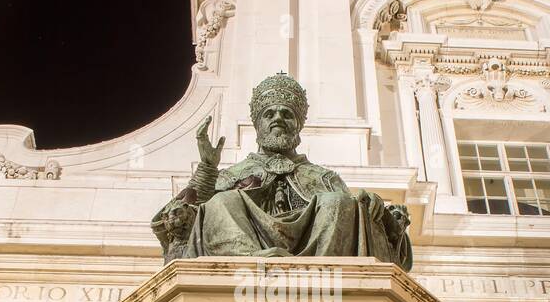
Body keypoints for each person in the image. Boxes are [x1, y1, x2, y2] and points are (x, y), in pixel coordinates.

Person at [152, 72, 412, 269]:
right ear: (258, 125)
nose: (278, 118)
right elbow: (187, 213)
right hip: (248, 248)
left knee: (339, 202)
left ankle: (319, 269)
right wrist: (208, 169)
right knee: (222, 202)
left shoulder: (323, 176)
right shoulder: (235, 172)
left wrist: (372, 208)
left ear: (298, 125)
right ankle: (250, 258)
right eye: (269, 114)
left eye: (287, 114)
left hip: (317, 251)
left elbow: (353, 219)